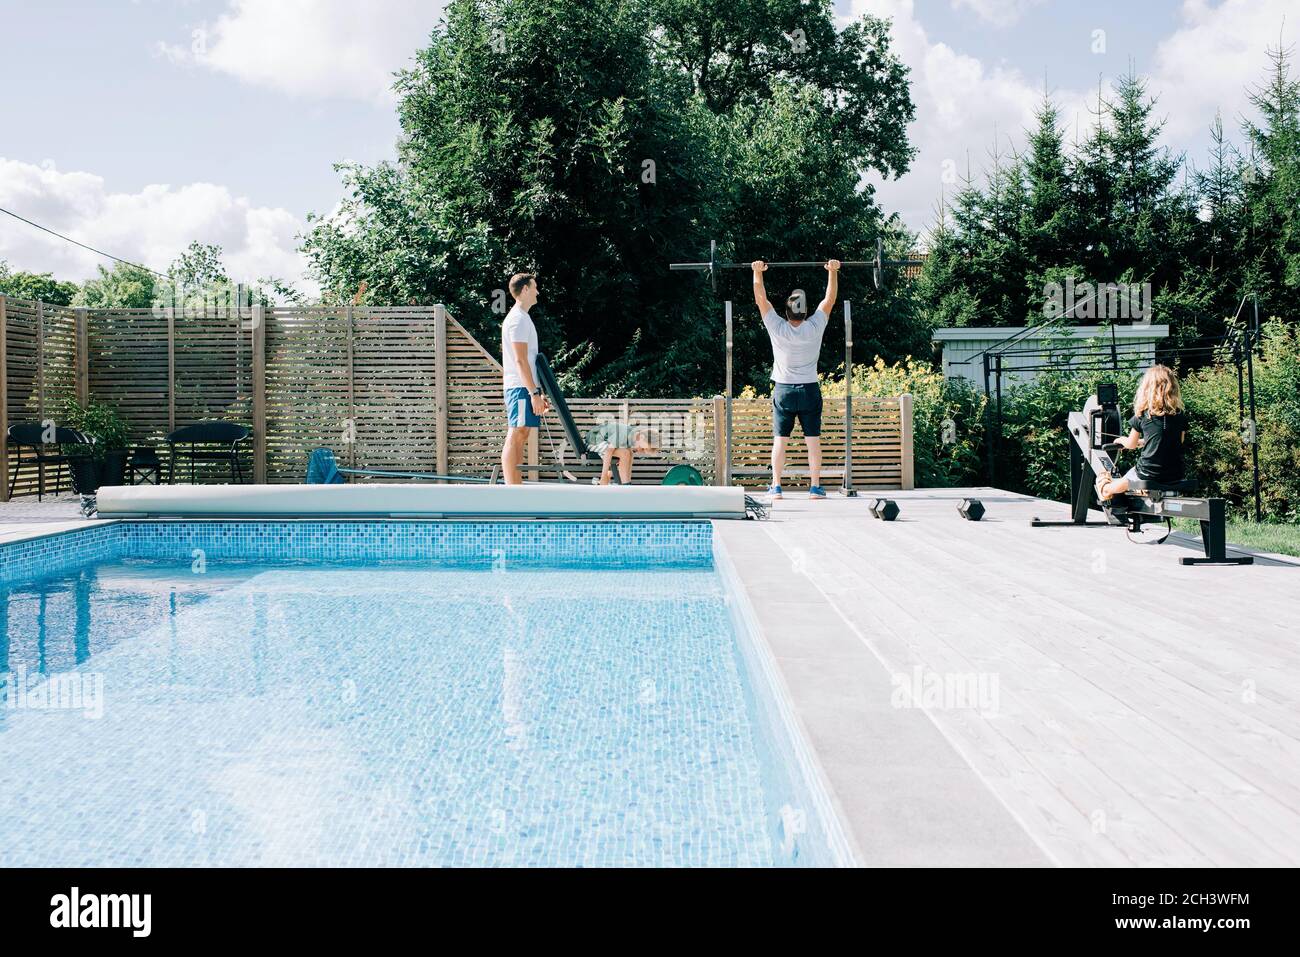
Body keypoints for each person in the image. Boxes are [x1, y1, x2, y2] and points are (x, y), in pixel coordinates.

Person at [751, 258, 840, 499]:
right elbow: (829, 300)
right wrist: (832, 271)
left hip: (784, 391)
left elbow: (761, 299)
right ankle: (814, 488)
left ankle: (776, 486)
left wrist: (757, 273)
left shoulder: (777, 327)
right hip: (809, 389)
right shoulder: (815, 326)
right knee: (813, 440)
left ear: (787, 311)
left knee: (780, 439)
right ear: (805, 311)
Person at [1097, 364, 1189, 501]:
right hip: (1175, 474)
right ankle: (1142, 490)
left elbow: (1131, 444)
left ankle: (1105, 489)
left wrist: (1121, 440)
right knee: (1137, 478)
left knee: (1127, 480)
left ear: (1147, 389)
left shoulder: (1143, 415)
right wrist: (1145, 442)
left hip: (1148, 473)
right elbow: (1175, 441)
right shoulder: (1180, 416)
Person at [500, 273, 549, 485]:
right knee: (517, 431)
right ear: (526, 289)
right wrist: (533, 393)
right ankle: (512, 489)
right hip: (520, 387)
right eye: (535, 287)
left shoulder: (523, 317)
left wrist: (537, 390)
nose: (538, 291)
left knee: (523, 433)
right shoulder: (517, 320)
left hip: (526, 386)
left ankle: (516, 485)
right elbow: (520, 361)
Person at [582, 420, 661, 485]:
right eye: (643, 449)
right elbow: (608, 452)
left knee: (629, 453)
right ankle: (624, 485)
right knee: (625, 453)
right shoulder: (624, 434)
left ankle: (627, 483)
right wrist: (603, 476)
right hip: (592, 442)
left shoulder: (632, 436)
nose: (641, 451)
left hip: (604, 443)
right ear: (641, 437)